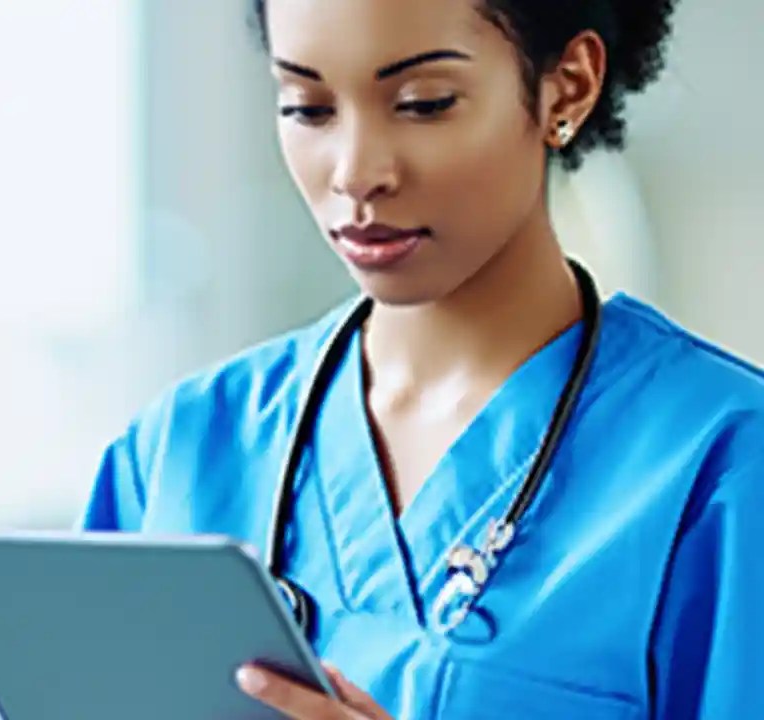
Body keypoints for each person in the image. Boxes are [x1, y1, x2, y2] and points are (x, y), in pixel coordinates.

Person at [47, 0, 764, 717]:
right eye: (308, 107)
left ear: (566, 86)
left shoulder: (722, 463)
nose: (356, 174)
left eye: (423, 105)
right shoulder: (181, 449)